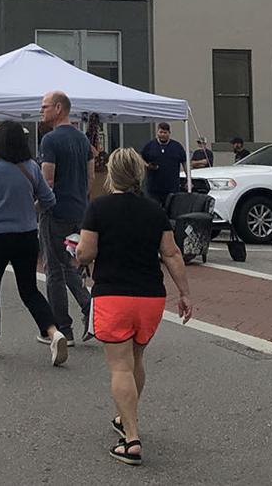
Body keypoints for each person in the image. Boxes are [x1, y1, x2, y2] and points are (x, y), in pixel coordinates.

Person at [74, 147, 195, 467]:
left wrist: (77, 252)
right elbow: (172, 254)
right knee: (136, 360)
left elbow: (86, 253)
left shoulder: (98, 209)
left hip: (114, 295)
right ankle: (124, 417)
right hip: (150, 298)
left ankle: (131, 439)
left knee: (119, 367)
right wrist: (184, 293)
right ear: (139, 175)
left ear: (111, 175)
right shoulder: (154, 210)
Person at [0, 119, 70, 366]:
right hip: (26, 235)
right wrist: (29, 209)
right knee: (29, 289)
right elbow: (49, 199)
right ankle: (54, 332)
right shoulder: (31, 167)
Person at [38, 90, 93, 345]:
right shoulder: (83, 140)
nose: (42, 111)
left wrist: (39, 204)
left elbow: (47, 179)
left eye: (45, 106)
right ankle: (85, 310)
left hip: (55, 211)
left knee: (55, 270)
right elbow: (91, 177)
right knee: (71, 262)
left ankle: (65, 327)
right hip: (79, 210)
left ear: (59, 108)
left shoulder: (50, 140)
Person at [139, 122, 187, 208]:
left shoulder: (177, 146)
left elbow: (184, 163)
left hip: (172, 188)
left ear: (169, 133)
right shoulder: (150, 146)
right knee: (154, 209)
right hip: (153, 188)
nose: (163, 135)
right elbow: (140, 158)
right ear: (157, 132)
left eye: (165, 133)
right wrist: (147, 165)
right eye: (161, 132)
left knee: (171, 210)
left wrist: (188, 179)